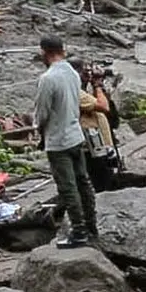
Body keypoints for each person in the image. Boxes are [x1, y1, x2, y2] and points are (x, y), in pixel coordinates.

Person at [33, 34, 95, 248]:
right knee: (83, 182)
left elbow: (42, 113)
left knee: (68, 188)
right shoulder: (73, 73)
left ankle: (78, 231)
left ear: (45, 52)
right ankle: (91, 224)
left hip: (58, 141)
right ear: (63, 50)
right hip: (76, 135)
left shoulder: (48, 79)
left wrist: (38, 132)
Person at [78, 62, 120, 192]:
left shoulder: (88, 92)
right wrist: (97, 85)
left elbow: (112, 118)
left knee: (107, 178)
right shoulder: (75, 92)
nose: (88, 75)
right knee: (100, 182)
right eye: (84, 72)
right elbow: (103, 106)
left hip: (101, 145)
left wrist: (100, 87)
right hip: (89, 147)